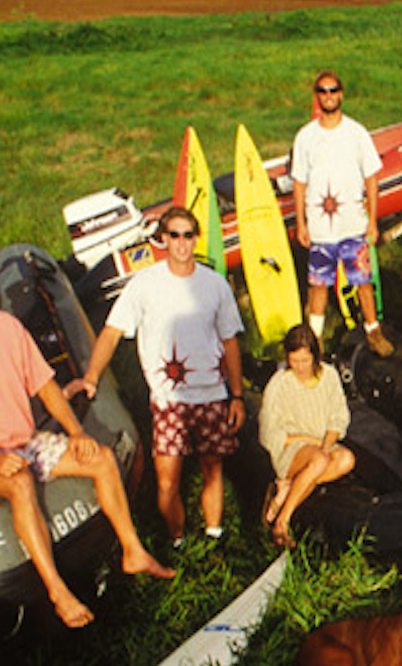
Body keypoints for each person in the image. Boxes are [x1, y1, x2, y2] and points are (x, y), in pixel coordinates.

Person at [0, 227, 172, 629]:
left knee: (101, 459)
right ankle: (57, 590)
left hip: (22, 440)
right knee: (19, 484)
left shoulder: (5, 327)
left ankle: (132, 550)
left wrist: (77, 433)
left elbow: (46, 388)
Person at [74, 204, 246, 554]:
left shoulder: (215, 284)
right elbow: (110, 333)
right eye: (174, 235)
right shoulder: (144, 284)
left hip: (212, 396)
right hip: (168, 403)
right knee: (167, 480)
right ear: (163, 239)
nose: (182, 243)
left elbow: (230, 341)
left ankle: (214, 538)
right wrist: (91, 377)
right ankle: (178, 542)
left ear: (196, 238)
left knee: (213, 470)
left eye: (188, 235)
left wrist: (237, 395)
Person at [291, 68, 386, 355]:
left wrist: (372, 221)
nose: (328, 96)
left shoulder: (356, 133)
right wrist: (301, 223)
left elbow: (371, 177)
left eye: (333, 90)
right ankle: (315, 340)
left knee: (363, 283)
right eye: (322, 90)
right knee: (318, 287)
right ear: (316, 96)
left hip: (353, 226)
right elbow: (299, 182)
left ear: (341, 94)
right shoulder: (305, 137)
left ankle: (374, 332)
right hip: (321, 230)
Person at [259, 323, 354, 547]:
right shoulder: (280, 384)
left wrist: (325, 443)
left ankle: (287, 489)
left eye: (304, 361)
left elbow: (338, 418)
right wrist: (312, 443)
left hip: (320, 445)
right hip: (291, 449)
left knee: (345, 459)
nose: (299, 367)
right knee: (319, 460)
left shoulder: (329, 376)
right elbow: (270, 432)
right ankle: (283, 522)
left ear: (315, 356)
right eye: (294, 361)